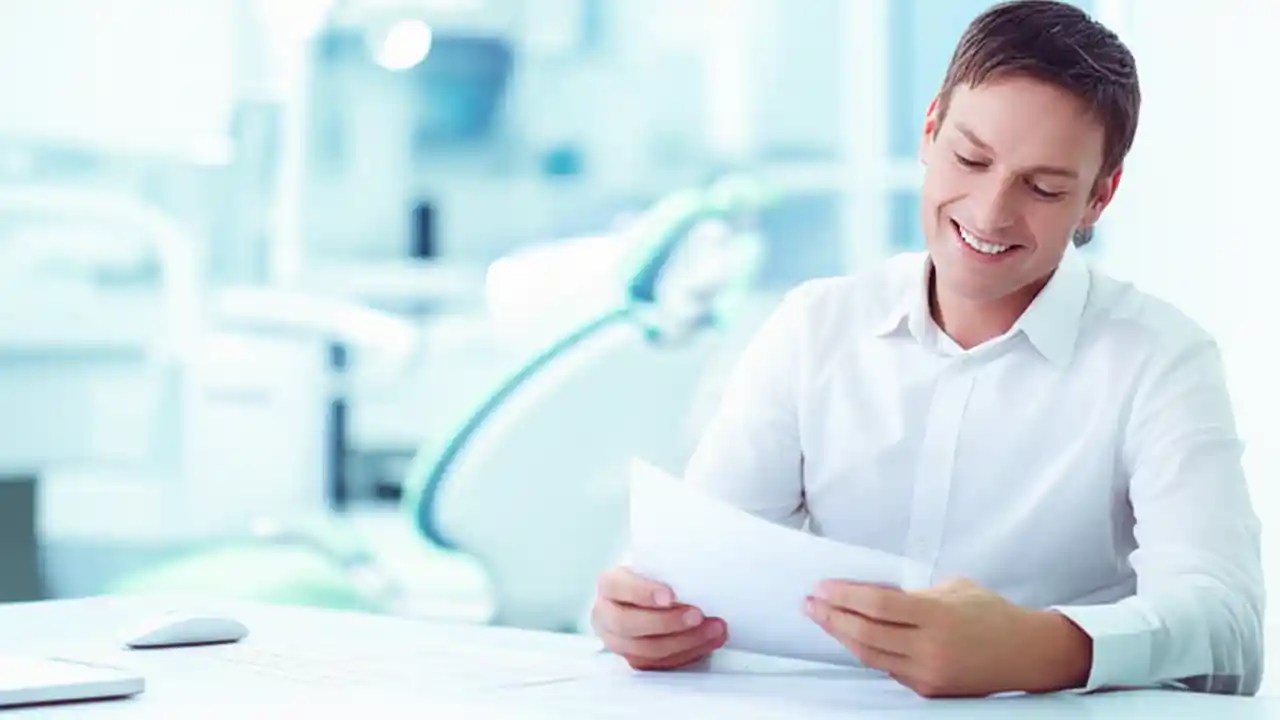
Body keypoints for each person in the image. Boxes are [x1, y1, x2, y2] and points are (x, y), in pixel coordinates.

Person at [590, 0, 1264, 699]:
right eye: (970, 158)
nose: (990, 211)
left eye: (1043, 187)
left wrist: (1039, 648)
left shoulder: (1160, 358)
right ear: (930, 130)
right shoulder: (814, 329)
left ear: (1099, 196)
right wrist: (648, 619)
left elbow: (1228, 629)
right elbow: (700, 566)